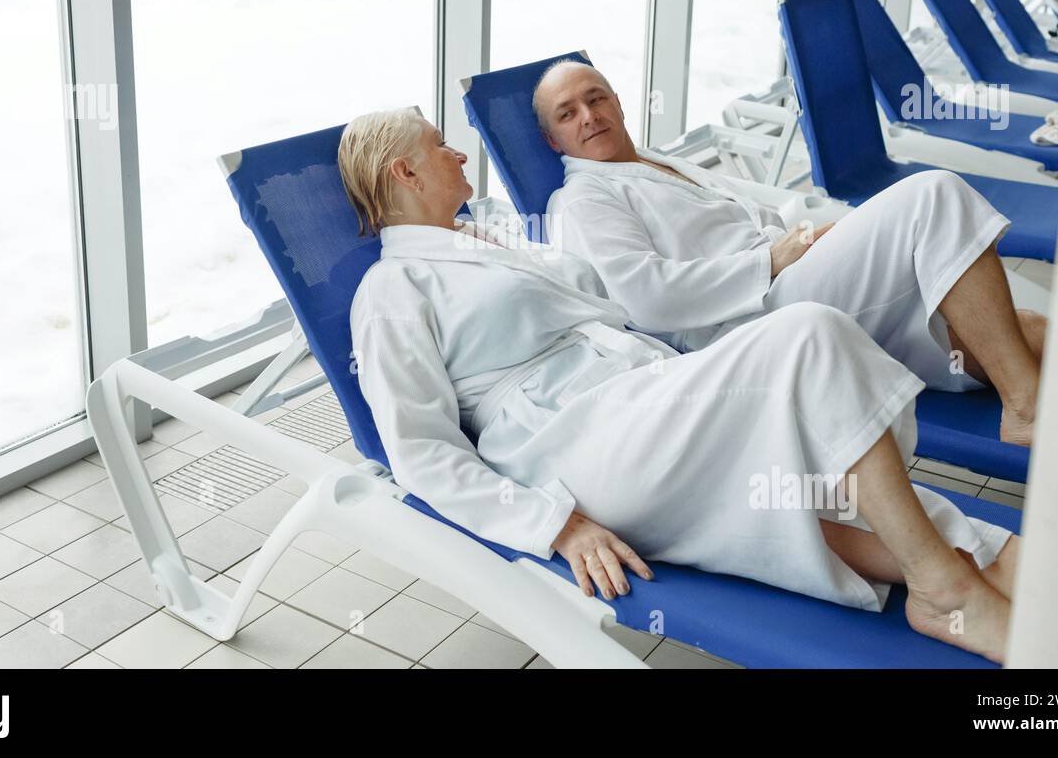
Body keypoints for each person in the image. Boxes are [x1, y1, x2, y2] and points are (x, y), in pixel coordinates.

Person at [341, 107, 1019, 663]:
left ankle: (981, 567)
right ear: (404, 171)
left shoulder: (492, 240)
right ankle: (944, 586)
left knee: (818, 438)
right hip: (573, 444)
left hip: (640, 394)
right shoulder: (392, 288)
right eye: (439, 147)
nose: (458, 155)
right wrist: (556, 525)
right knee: (808, 337)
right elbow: (420, 451)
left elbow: (615, 300)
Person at [535, 60, 1047, 445]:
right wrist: (770, 261)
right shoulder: (583, 199)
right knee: (935, 195)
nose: (589, 116)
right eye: (568, 113)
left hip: (794, 284)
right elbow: (643, 298)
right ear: (553, 140)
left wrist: (804, 241)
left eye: (596, 98)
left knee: (1025, 329)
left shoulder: (655, 163)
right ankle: (1024, 407)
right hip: (750, 322)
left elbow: (745, 223)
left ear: (619, 103)